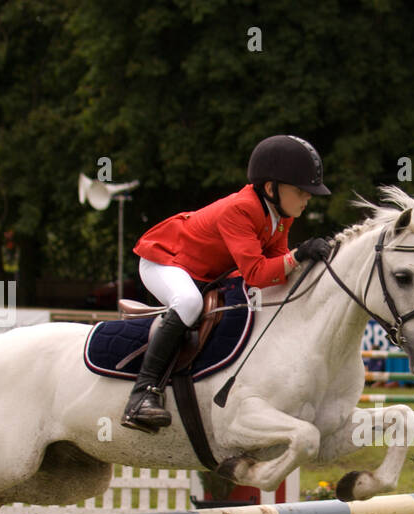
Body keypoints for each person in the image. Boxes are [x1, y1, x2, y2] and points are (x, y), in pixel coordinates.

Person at [122, 135, 332, 432]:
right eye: (300, 190)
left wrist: (305, 263)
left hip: (206, 274)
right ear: (271, 188)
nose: (308, 197)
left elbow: (278, 268)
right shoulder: (241, 208)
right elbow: (258, 272)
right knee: (189, 303)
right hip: (166, 260)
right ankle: (141, 395)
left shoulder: (281, 216)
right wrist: (300, 255)